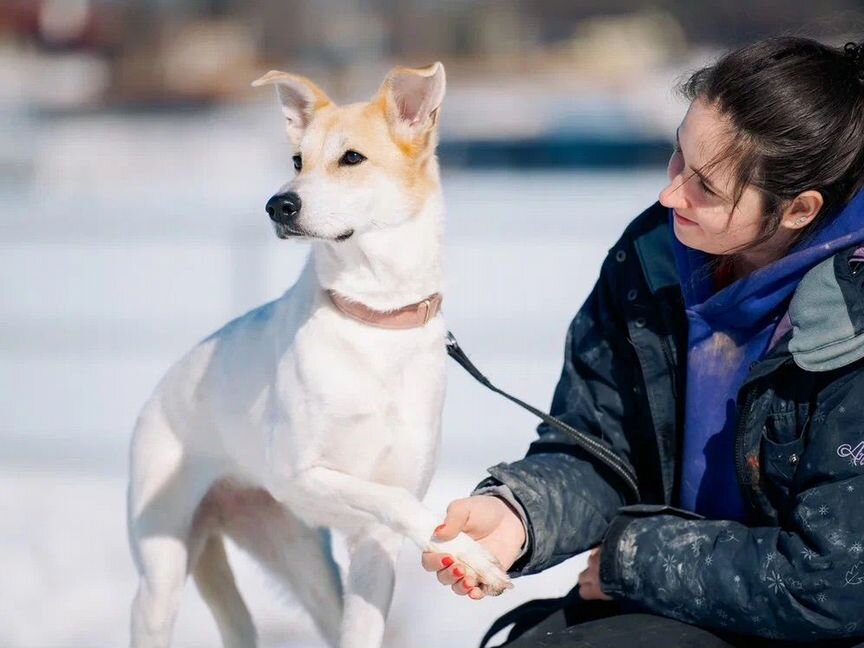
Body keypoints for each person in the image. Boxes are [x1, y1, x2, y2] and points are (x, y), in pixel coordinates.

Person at [422, 36, 864, 648]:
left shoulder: (854, 320)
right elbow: (602, 446)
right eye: (676, 155)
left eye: (705, 186)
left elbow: (836, 582)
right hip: (681, 603)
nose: (670, 194)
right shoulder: (656, 255)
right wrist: (520, 516)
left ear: (798, 210)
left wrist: (636, 558)